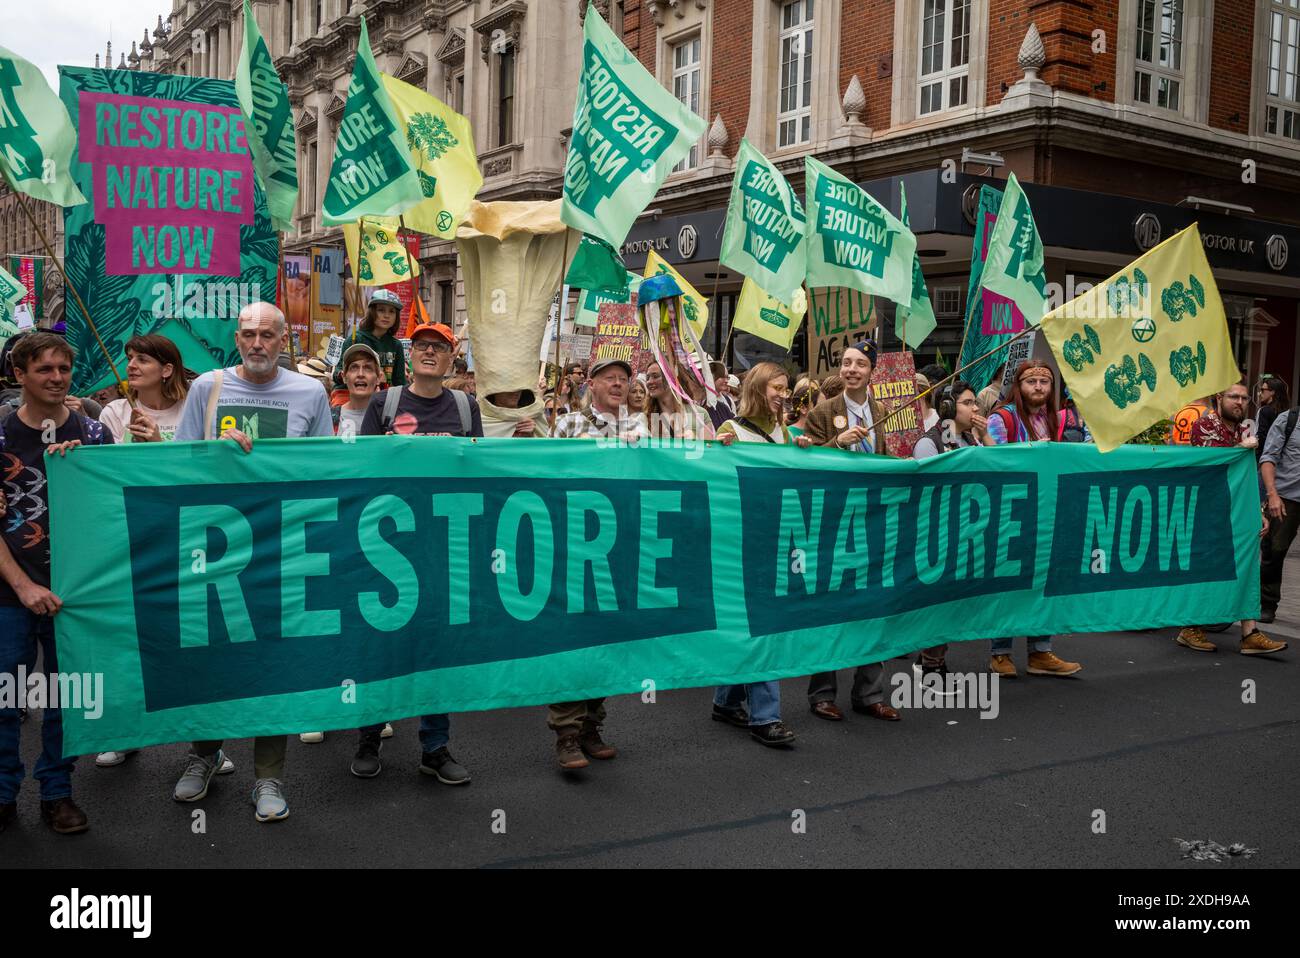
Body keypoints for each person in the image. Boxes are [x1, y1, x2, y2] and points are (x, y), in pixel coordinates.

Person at [171, 302, 333, 823]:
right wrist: (215, 453)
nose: (257, 342)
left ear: (284, 339)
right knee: (210, 657)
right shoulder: (207, 388)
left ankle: (269, 775)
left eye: (267, 333)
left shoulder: (310, 392)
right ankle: (205, 754)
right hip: (216, 551)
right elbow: (177, 467)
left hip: (283, 553)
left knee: (274, 665)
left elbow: (325, 474)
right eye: (248, 334)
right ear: (236, 339)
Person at [349, 322, 477, 783]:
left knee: (436, 648)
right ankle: (368, 735)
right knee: (380, 644)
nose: (428, 353)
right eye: (421, 346)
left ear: (450, 357)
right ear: (410, 354)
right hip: (386, 547)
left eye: (437, 348)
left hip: (442, 548)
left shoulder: (465, 407)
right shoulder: (386, 404)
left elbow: (477, 473)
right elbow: (361, 470)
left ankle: (435, 747)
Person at [0, 332, 114, 836]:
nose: (56, 378)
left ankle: (57, 791)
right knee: (6, 694)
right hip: (9, 592)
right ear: (19, 375)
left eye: (64, 369)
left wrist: (86, 471)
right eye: (44, 369)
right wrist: (23, 587)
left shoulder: (92, 436)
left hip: (75, 595)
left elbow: (118, 508)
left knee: (67, 698)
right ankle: (3, 794)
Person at [547, 357, 645, 770]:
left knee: (608, 637)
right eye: (610, 378)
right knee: (573, 638)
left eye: (624, 379)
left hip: (622, 547)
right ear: (592, 384)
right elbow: (550, 473)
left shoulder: (641, 427)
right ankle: (567, 732)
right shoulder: (569, 424)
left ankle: (592, 723)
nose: (619, 384)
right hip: (578, 544)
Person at [801, 341, 896, 721]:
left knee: (875, 605)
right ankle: (822, 693)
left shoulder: (884, 411)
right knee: (831, 607)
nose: (852, 369)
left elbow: (891, 459)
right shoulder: (824, 411)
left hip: (874, 520)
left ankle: (870, 693)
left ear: (872, 371)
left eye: (860, 363)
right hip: (835, 523)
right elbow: (807, 464)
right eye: (846, 363)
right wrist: (835, 443)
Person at [711, 363, 797, 746]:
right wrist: (717, 454)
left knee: (750, 624)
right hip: (742, 545)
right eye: (777, 387)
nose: (783, 394)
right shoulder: (731, 432)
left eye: (786, 388)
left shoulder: (785, 434)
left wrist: (815, 450)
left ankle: (727, 701)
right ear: (758, 389)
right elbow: (714, 482)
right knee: (763, 624)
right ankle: (765, 717)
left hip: (775, 541)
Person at [985, 360, 1082, 677]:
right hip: (1012, 516)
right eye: (1031, 381)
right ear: (1019, 386)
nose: (1038, 387)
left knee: (1045, 582)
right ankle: (1000, 652)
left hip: (1050, 514)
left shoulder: (1057, 420)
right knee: (1010, 584)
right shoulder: (1002, 418)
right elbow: (995, 462)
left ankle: (1041, 651)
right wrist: (1031, 450)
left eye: (1044, 381)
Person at [1177, 383, 1286, 655]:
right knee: (1205, 569)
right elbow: (1212, 467)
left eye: (1244, 398)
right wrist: (1240, 448)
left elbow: (1245, 478)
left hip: (1233, 511)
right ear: (1219, 398)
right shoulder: (1205, 425)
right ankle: (1189, 628)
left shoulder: (1240, 429)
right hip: (1204, 511)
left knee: (1248, 561)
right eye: (1233, 397)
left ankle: (1249, 632)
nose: (1239, 402)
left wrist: (1256, 512)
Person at [910, 381, 995, 678]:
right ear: (947, 408)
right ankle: (931, 660)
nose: (975, 408)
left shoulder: (972, 440)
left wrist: (984, 435)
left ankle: (934, 655)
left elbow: (999, 470)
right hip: (939, 533)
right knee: (937, 600)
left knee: (952, 602)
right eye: (968, 403)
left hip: (966, 531)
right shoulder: (930, 442)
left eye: (975, 403)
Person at [98, 335, 187, 443]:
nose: (130, 365)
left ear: (166, 370)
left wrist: (157, 445)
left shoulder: (190, 411)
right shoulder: (114, 412)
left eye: (142, 360)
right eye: (129, 359)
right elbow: (111, 459)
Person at [1259, 394, 1300, 624]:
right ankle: (1267, 603)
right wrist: (1272, 494)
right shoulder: (1288, 420)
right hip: (1286, 499)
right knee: (1275, 551)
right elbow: (1268, 458)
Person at [332, 289, 407, 389]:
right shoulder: (355, 339)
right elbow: (337, 374)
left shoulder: (396, 345)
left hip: (383, 398)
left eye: (392, 311)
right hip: (351, 396)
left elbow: (400, 383)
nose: (386, 315)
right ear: (372, 312)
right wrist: (343, 374)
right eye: (381, 310)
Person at [641, 361, 713, 439]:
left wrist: (694, 438)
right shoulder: (644, 417)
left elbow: (709, 448)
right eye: (647, 378)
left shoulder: (699, 414)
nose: (650, 382)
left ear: (671, 378)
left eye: (655, 376)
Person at [329, 342, 382, 437]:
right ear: (344, 377)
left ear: (378, 378)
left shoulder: (390, 419)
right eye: (354, 368)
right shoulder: (329, 418)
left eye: (368, 368)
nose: (360, 374)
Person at [1254, 376, 1289, 462]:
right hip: (1282, 458)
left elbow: (1260, 437)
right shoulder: (1287, 412)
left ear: (1272, 392)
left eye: (1262, 390)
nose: (1259, 393)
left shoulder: (1264, 411)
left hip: (1263, 457)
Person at [706, 360, 737, 431]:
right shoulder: (703, 401)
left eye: (727, 377)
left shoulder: (729, 401)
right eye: (722, 377)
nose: (726, 380)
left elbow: (735, 426)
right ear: (711, 376)